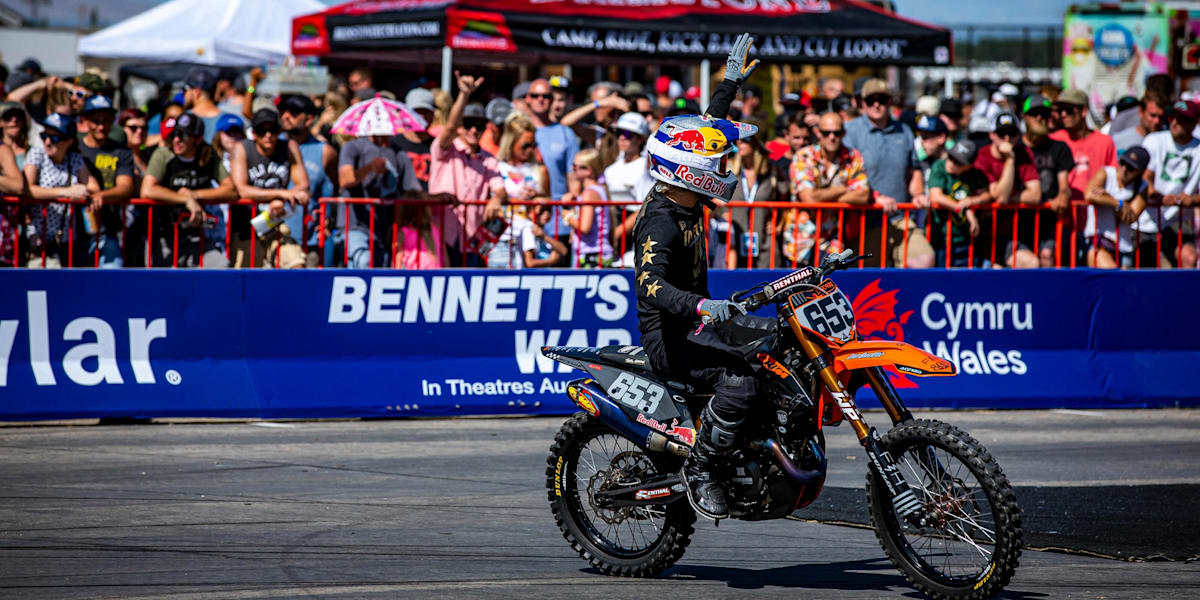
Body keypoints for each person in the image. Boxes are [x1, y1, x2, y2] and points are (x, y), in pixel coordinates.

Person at [635, 33, 760, 520]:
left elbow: (706, 129)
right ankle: (702, 468)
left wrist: (728, 84)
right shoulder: (662, 220)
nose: (727, 166)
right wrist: (703, 306)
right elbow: (651, 287)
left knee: (778, 345)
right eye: (721, 161)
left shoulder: (685, 194)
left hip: (697, 324)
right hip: (670, 337)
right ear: (694, 170)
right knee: (739, 383)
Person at [844, 78, 934, 268]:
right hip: (863, 220)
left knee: (924, 260)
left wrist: (918, 194)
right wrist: (875, 198)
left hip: (900, 219)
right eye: (871, 100)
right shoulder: (849, 131)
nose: (876, 104)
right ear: (862, 102)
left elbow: (914, 169)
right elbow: (845, 175)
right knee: (869, 279)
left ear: (890, 102)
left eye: (882, 99)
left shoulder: (904, 131)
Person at [140, 112, 237, 267]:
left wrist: (195, 194)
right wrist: (186, 199)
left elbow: (231, 190)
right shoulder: (164, 154)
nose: (177, 140)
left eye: (184, 136)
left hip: (198, 235)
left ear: (198, 139)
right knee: (162, 283)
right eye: (175, 134)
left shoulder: (207, 154)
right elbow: (147, 190)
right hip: (165, 235)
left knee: (221, 268)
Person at [430, 71, 505, 266]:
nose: (473, 130)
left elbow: (500, 188)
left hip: (472, 238)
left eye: (479, 125)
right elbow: (450, 127)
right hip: (441, 232)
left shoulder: (488, 158)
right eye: (469, 124)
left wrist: (496, 199)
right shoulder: (447, 148)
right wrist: (464, 94)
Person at [338, 109, 422, 268]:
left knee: (383, 271)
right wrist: (370, 167)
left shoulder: (398, 153)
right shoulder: (352, 147)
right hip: (357, 225)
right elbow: (345, 180)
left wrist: (441, 197)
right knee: (363, 261)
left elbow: (414, 191)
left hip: (386, 229)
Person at [230, 109, 309, 268]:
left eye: (273, 130)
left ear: (279, 131)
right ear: (253, 133)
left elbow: (303, 185)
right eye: (262, 131)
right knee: (245, 279)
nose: (268, 135)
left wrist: (282, 200)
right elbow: (242, 190)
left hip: (274, 223)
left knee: (296, 264)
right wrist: (281, 194)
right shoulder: (242, 148)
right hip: (246, 225)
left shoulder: (289, 146)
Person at [790, 112, 870, 264]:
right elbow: (809, 199)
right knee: (797, 287)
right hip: (801, 238)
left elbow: (863, 195)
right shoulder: (803, 156)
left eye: (837, 132)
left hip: (833, 239)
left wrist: (823, 195)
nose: (832, 137)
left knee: (828, 285)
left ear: (844, 133)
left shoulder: (853, 157)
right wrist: (843, 189)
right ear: (818, 133)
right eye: (827, 133)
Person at [22, 114, 95, 268]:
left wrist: (87, 193)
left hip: (66, 240)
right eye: (45, 136)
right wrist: (65, 192)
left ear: (68, 141)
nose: (47, 142)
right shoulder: (37, 154)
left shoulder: (74, 159)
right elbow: (26, 189)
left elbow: (93, 187)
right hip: (38, 239)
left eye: (54, 138)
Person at [1136, 100, 1200, 268]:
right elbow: (1145, 176)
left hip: (1178, 221)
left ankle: (1188, 295)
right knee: (1145, 271)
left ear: (1194, 124)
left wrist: (1192, 200)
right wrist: (1156, 195)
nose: (1174, 122)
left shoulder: (1198, 149)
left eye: (1182, 119)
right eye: (1172, 117)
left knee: (1189, 258)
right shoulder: (1154, 140)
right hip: (1147, 218)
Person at [973, 112, 1042, 267]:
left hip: (1009, 235)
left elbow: (1035, 195)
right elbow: (1000, 198)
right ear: (992, 135)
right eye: (1002, 133)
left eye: (1012, 133)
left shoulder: (1023, 154)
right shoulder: (982, 156)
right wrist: (1010, 160)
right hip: (980, 234)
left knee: (1032, 263)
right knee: (994, 273)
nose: (1007, 139)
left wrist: (1007, 195)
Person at [77, 95, 133, 268]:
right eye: (96, 121)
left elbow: (125, 186)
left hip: (107, 229)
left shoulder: (120, 151)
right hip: (72, 230)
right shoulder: (75, 148)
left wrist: (101, 195)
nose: (101, 126)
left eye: (107, 121)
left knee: (112, 277)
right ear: (85, 121)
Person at [525, 78, 581, 253]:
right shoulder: (521, 130)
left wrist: (574, 217)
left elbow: (574, 178)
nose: (540, 99)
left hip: (558, 222)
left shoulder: (566, 133)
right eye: (535, 95)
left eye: (546, 96)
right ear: (528, 99)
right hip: (524, 219)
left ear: (552, 99)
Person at [488, 114, 549, 269]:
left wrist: (537, 198)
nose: (530, 150)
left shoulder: (538, 170)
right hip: (502, 239)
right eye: (525, 145)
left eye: (533, 145)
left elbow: (548, 204)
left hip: (531, 241)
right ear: (511, 142)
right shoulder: (496, 167)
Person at [715, 123, 775, 268]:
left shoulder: (771, 173)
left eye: (745, 140)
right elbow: (716, 199)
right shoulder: (729, 171)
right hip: (734, 240)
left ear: (756, 143)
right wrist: (722, 212)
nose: (739, 143)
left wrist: (778, 223)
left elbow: (785, 199)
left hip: (764, 242)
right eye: (738, 140)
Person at [1084, 146, 1148, 269]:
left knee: (1123, 286)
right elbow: (1089, 195)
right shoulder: (1105, 173)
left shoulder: (1141, 186)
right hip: (1099, 242)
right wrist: (1119, 204)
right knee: (1115, 281)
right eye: (1122, 163)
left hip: (1124, 247)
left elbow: (1130, 217)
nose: (1124, 169)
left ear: (1140, 171)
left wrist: (1107, 198)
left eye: (1130, 168)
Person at [927, 140, 988, 267]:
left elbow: (987, 195)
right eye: (951, 157)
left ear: (969, 165)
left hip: (967, 238)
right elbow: (935, 196)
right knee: (941, 282)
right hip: (942, 238)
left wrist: (972, 201)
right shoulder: (939, 166)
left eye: (958, 162)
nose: (951, 163)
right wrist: (965, 209)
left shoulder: (974, 174)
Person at [1050, 89, 1116, 203]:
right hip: (1062, 214)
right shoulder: (1054, 140)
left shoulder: (1105, 142)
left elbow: (1113, 178)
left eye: (1069, 110)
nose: (1063, 114)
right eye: (1060, 111)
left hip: (1094, 212)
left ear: (1084, 111)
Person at [605, 111, 653, 265]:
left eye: (628, 134)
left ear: (641, 139)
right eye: (619, 132)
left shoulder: (645, 169)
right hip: (612, 237)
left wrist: (618, 232)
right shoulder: (610, 170)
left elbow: (645, 206)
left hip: (633, 240)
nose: (622, 138)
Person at [562, 148, 612, 267]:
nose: (572, 170)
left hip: (592, 254)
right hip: (595, 253)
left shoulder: (589, 194)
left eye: (575, 167)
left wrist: (567, 217)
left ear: (588, 170)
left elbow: (585, 227)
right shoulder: (596, 190)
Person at [0, 101, 30, 168]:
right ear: (0, 122)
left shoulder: (31, 151)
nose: (14, 120)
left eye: (18, 116)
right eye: (8, 116)